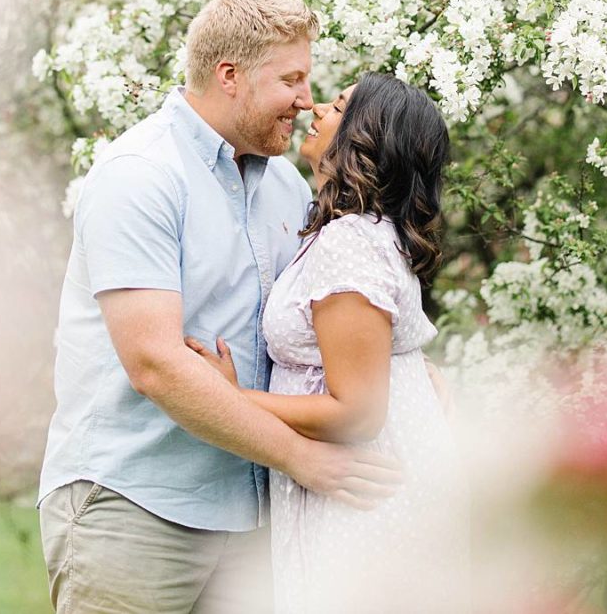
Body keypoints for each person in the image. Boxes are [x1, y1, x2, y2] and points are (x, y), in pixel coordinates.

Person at [37, 0, 403, 614]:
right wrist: (303, 460)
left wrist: (418, 379)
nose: (306, 99)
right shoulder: (140, 175)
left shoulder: (286, 187)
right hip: (134, 502)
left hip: (254, 514)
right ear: (229, 76)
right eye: (291, 78)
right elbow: (153, 363)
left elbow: (337, 323)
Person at [188, 72, 470, 612]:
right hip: (367, 484)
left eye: (339, 105)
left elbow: (358, 412)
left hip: (365, 493)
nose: (316, 107)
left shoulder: (350, 243)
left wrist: (229, 398)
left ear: (367, 135)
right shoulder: (353, 232)